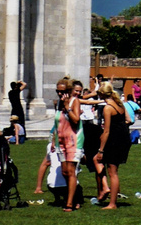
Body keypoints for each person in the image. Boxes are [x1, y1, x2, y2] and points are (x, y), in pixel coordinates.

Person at [95, 81, 131, 210]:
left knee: (112, 172)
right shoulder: (119, 104)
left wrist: (101, 150)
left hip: (114, 140)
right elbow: (129, 120)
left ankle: (112, 203)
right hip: (123, 138)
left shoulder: (108, 108)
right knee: (111, 169)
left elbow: (106, 131)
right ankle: (106, 189)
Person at [54, 77, 82, 212]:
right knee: (65, 171)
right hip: (61, 141)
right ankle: (74, 197)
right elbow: (57, 123)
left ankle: (69, 203)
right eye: (57, 91)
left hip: (73, 140)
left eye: (62, 91)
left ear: (69, 91)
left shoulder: (74, 101)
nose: (59, 94)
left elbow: (76, 120)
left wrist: (67, 107)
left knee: (71, 171)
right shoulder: (59, 102)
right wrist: (53, 139)